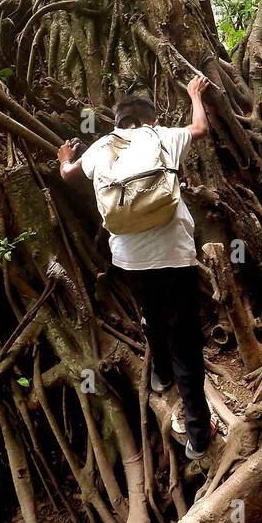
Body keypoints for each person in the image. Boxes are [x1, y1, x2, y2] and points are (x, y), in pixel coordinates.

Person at [57, 78, 213, 459]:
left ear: (117, 122)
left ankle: (159, 373)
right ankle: (198, 435)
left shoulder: (100, 148)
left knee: (152, 315)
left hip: (130, 258)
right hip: (175, 253)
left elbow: (68, 175)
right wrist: (194, 95)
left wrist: (63, 156)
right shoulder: (162, 137)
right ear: (150, 118)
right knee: (186, 337)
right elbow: (200, 129)